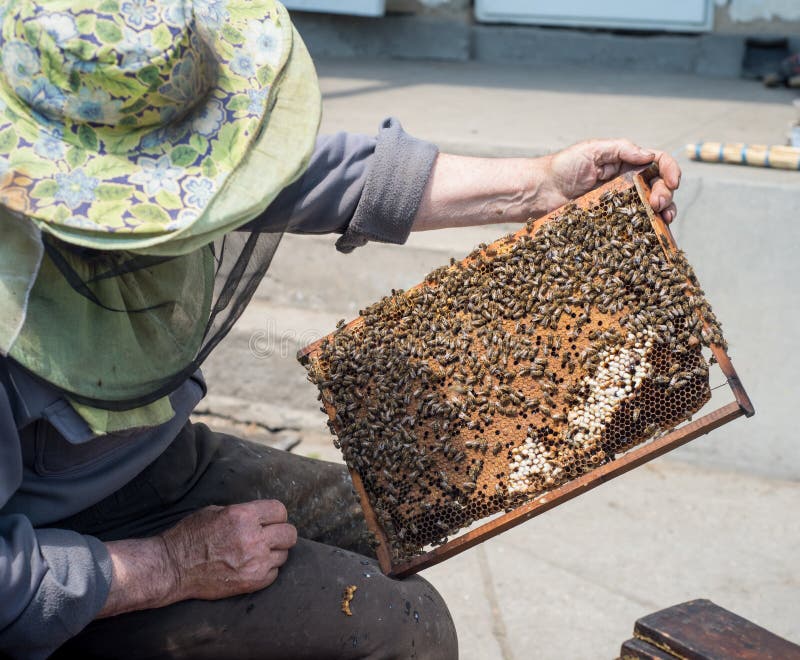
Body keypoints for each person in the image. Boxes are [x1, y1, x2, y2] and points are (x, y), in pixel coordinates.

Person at [0, 1, 681, 658]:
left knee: (399, 517)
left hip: (148, 462)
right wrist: (168, 566)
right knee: (406, 629)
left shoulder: (105, 124)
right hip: (50, 558)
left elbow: (317, 177)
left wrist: (540, 186)